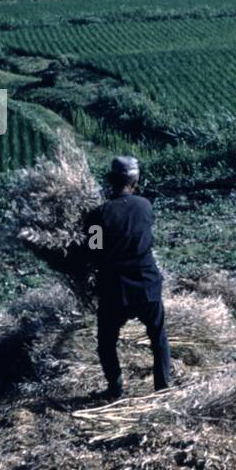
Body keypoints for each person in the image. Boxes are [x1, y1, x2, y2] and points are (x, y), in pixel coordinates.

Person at [83, 155, 171, 399]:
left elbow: (93, 251)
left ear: (111, 180)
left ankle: (115, 388)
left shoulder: (98, 214)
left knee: (106, 342)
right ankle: (163, 389)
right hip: (147, 284)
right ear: (136, 180)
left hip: (115, 289)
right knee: (158, 337)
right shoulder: (145, 206)